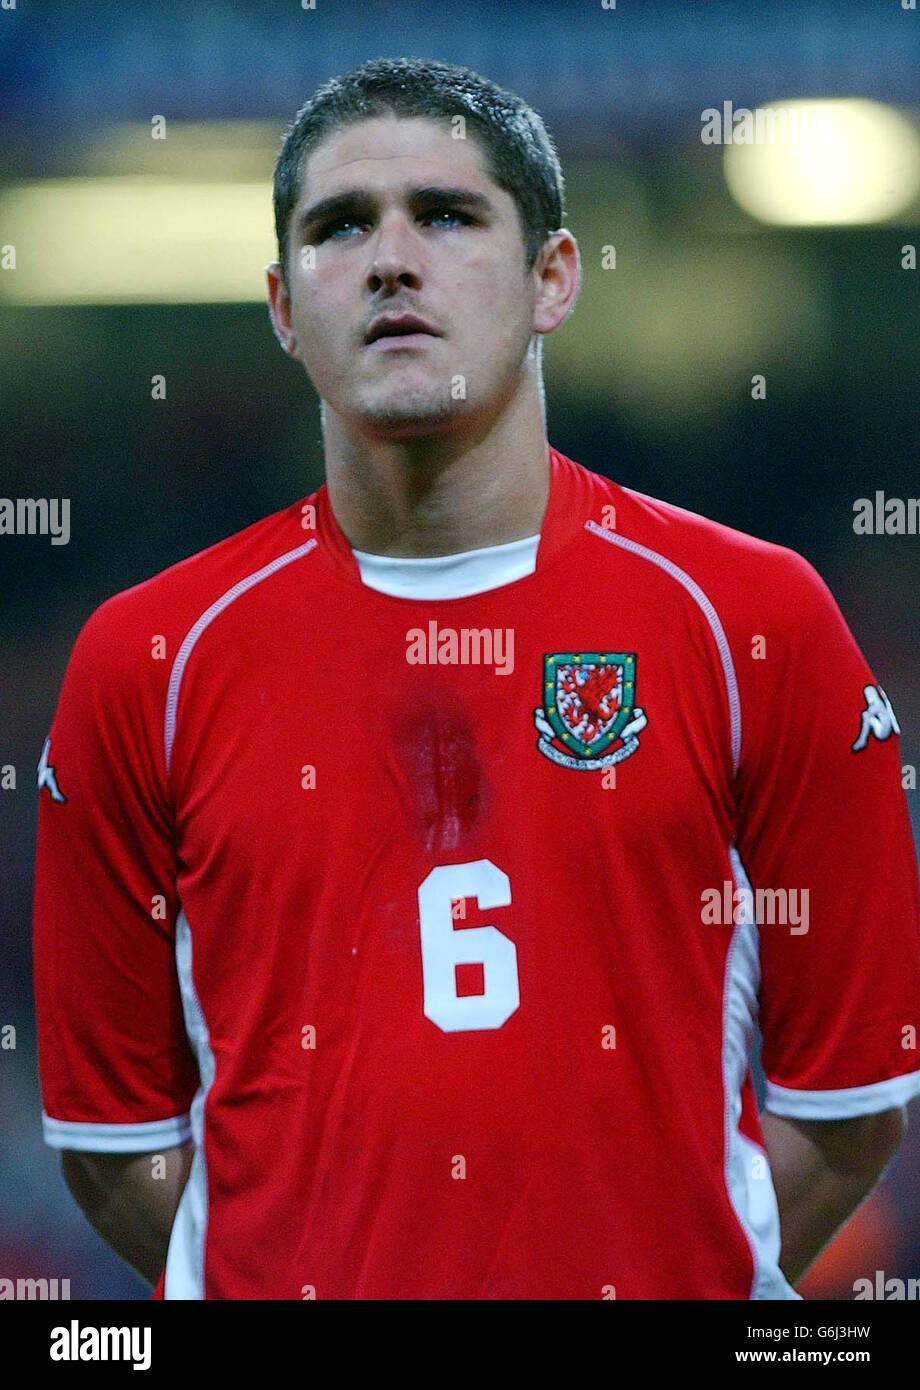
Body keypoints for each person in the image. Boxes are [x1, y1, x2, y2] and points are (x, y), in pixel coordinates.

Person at [33, 56, 920, 1301]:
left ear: (552, 277)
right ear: (285, 308)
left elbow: (845, 1111)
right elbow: (119, 1149)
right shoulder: (148, 662)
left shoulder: (753, 621)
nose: (392, 258)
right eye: (342, 226)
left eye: (445, 215)